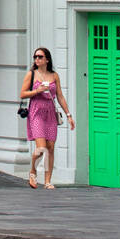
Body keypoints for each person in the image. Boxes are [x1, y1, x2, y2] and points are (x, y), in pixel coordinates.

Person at [20, 46, 75, 188]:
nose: (37, 59)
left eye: (40, 57)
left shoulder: (54, 75)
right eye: (35, 57)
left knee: (50, 147)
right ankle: (33, 170)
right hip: (36, 111)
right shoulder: (31, 74)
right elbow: (23, 94)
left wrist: (68, 115)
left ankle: (47, 181)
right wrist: (37, 90)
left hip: (50, 112)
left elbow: (60, 96)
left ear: (47, 59)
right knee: (41, 148)